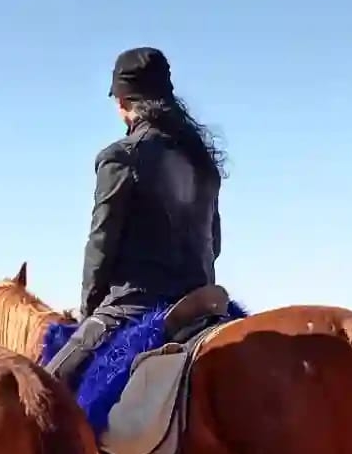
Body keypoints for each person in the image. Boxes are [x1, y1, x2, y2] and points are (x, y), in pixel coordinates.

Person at [45, 46, 225, 386]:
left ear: (123, 102)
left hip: (135, 308)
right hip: (201, 303)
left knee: (44, 394)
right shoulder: (202, 163)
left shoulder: (121, 158)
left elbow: (101, 244)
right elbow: (213, 245)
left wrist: (90, 314)